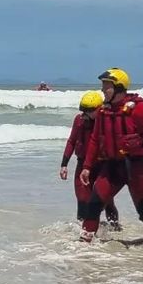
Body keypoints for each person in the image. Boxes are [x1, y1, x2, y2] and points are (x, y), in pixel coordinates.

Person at [79, 68, 143, 248]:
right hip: (112, 168)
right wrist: (87, 166)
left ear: (119, 88)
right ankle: (82, 246)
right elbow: (95, 140)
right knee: (94, 205)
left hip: (138, 169)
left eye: (107, 86)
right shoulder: (104, 112)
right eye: (102, 86)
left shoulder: (141, 109)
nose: (103, 90)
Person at [59, 90, 120, 229]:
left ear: (99, 108)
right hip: (82, 165)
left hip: (102, 165)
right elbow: (71, 141)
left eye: (89, 111)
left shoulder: (106, 121)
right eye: (84, 110)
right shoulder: (79, 120)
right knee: (82, 199)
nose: (85, 114)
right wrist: (64, 164)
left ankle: (115, 228)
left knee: (106, 200)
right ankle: (82, 230)